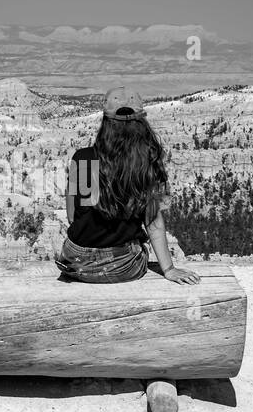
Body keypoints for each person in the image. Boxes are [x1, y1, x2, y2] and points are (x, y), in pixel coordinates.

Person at [55, 87, 200, 285]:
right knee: (140, 249)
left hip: (75, 262)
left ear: (105, 122)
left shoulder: (82, 158)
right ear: (142, 123)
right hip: (122, 266)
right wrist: (169, 269)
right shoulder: (147, 165)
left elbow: (72, 216)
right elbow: (153, 224)